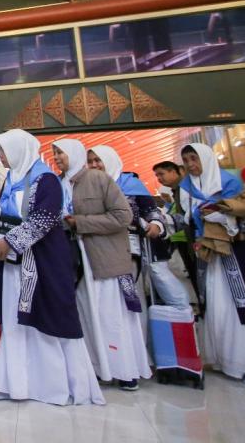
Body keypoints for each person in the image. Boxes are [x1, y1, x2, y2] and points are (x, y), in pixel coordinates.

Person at [0, 129, 103, 406]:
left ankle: (52, 387)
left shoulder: (46, 180)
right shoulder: (13, 178)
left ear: (20, 150)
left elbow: (44, 219)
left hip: (41, 264)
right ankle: (12, 384)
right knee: (13, 320)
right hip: (12, 265)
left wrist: (10, 241)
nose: (0, 157)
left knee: (43, 319)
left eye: (3, 151)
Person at [52, 139, 150, 392]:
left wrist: (80, 223)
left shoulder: (98, 180)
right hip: (74, 260)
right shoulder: (59, 183)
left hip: (103, 257)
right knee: (86, 314)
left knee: (110, 316)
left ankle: (124, 370)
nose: (57, 157)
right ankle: (96, 368)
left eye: (60, 152)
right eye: (54, 153)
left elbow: (122, 216)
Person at [179, 143, 245, 387]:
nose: (190, 165)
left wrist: (227, 217)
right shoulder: (187, 190)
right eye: (186, 160)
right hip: (211, 256)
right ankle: (226, 359)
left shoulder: (231, 184)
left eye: (194, 158)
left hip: (239, 253)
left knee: (243, 306)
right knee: (218, 307)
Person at [89, 146, 190, 312]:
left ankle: (179, 316)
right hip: (102, 250)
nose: (94, 165)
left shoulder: (131, 184)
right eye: (90, 161)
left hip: (134, 248)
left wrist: (156, 225)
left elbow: (150, 211)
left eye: (97, 160)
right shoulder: (88, 187)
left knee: (135, 292)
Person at [152, 161, 202, 312]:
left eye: (162, 174)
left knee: (198, 274)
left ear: (175, 172)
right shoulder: (177, 192)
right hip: (185, 241)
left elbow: (187, 219)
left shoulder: (186, 190)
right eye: (157, 175)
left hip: (193, 240)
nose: (159, 178)